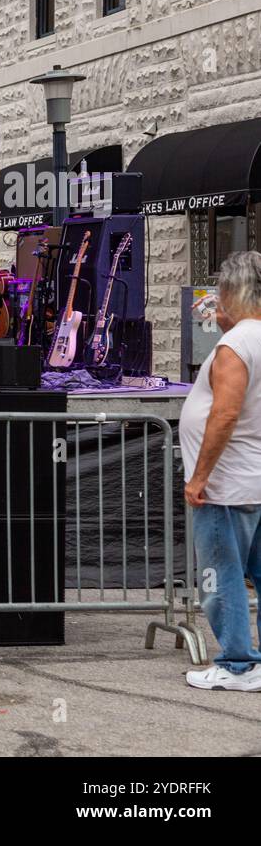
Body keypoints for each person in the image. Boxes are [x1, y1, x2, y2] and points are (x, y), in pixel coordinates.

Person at [181, 250, 261, 692]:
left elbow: (226, 414)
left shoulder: (235, 346)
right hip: (254, 478)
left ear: (231, 290)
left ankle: (237, 664)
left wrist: (199, 477)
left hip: (226, 485)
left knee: (221, 574)